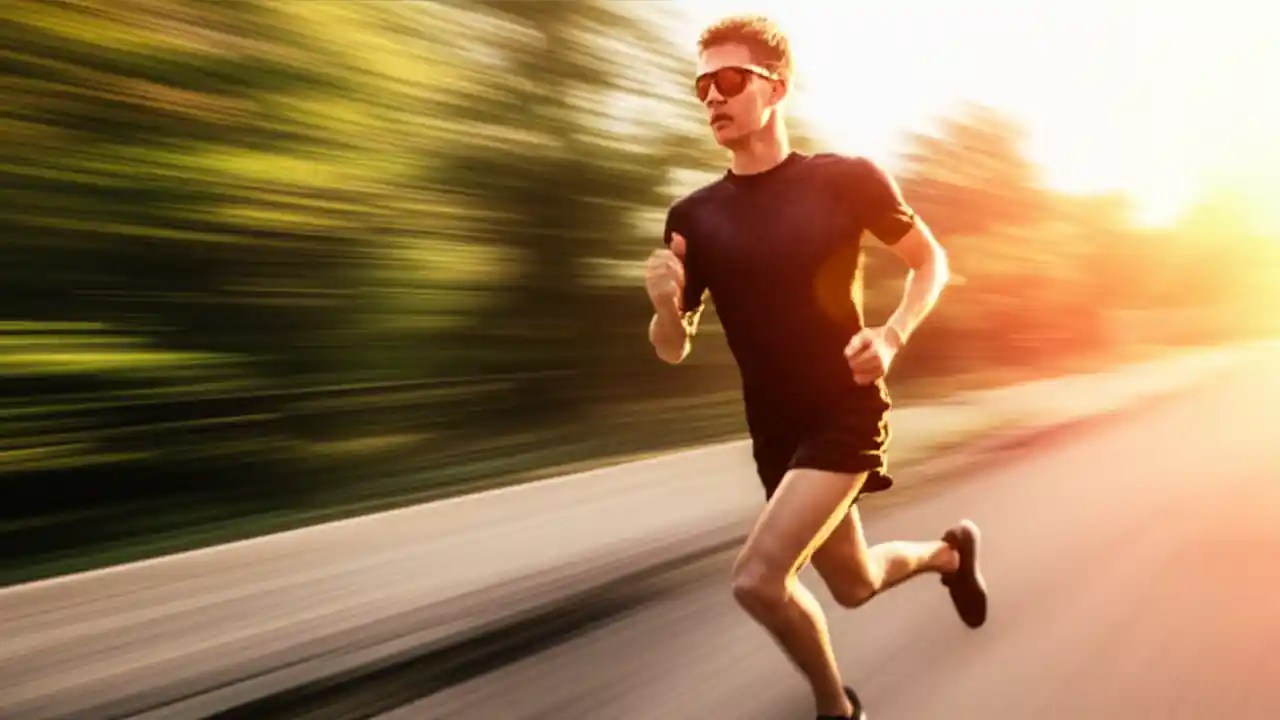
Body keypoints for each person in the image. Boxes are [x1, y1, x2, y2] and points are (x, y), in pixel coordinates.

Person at [643, 15, 988, 720]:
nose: (712, 96)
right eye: (701, 84)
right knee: (854, 583)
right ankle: (950, 556)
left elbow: (931, 262)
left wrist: (891, 336)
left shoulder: (846, 179)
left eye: (730, 80)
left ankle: (838, 709)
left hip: (845, 407)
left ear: (778, 86)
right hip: (774, 433)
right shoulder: (694, 216)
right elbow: (671, 348)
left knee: (757, 581)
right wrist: (666, 309)